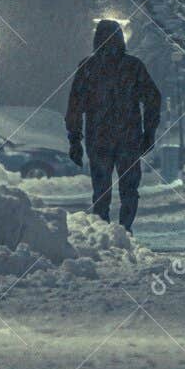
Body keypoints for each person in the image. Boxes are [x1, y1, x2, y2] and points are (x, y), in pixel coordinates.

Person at [65, 19, 161, 232]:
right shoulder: (133, 66)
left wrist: (75, 139)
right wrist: (149, 132)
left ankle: (104, 230)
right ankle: (125, 228)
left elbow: (75, 105)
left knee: (100, 189)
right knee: (129, 188)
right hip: (129, 137)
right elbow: (153, 99)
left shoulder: (88, 67)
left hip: (98, 137)